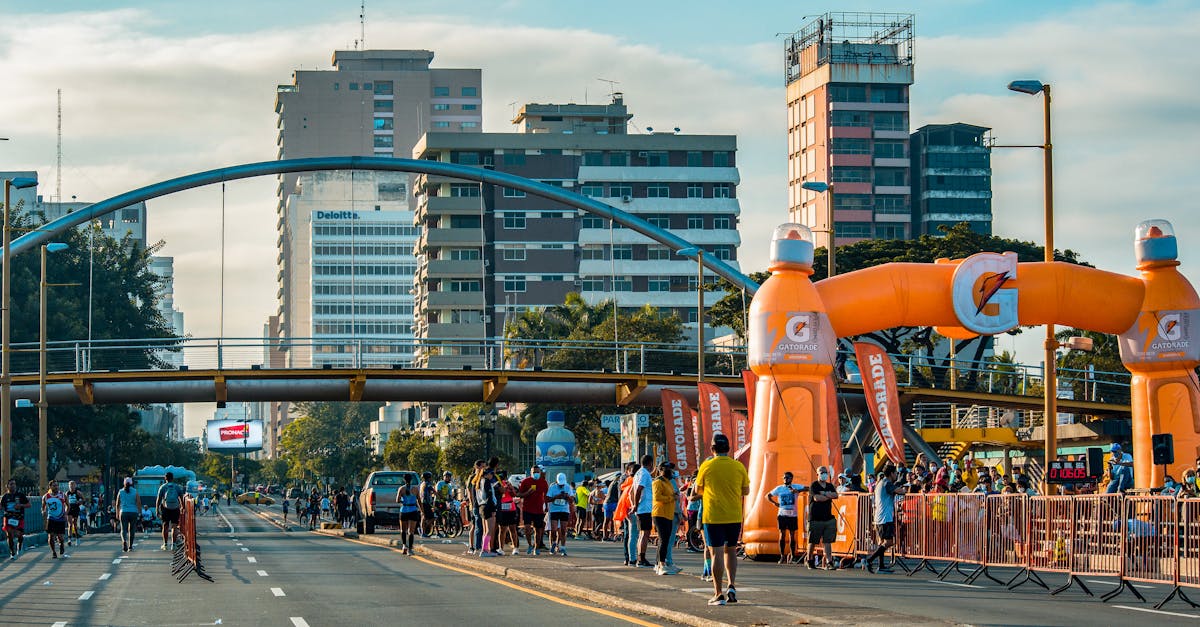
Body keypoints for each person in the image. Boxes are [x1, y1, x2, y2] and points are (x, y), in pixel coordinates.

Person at [694, 433, 750, 607]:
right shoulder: (738, 466)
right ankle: (731, 585)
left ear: (712, 449)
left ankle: (718, 593)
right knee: (731, 551)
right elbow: (746, 491)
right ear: (729, 449)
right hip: (733, 515)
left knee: (715, 553)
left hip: (713, 515)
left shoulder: (707, 465)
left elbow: (697, 489)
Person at [862, 465, 907, 573]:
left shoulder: (880, 483)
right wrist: (904, 489)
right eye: (895, 473)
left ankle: (881, 566)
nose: (896, 475)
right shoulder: (887, 483)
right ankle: (869, 560)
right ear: (891, 473)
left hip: (879, 516)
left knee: (882, 542)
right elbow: (900, 491)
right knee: (889, 541)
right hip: (885, 517)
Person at [805, 466, 839, 570]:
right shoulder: (814, 485)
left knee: (827, 541)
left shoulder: (829, 485)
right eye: (822, 472)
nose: (824, 474)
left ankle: (829, 561)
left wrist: (824, 493)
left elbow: (836, 495)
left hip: (828, 518)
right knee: (813, 541)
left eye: (825, 472)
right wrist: (828, 496)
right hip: (815, 518)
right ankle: (809, 559)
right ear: (817, 474)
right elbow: (816, 498)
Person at [766, 471, 804, 564]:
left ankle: (793, 556)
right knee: (782, 534)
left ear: (791, 478)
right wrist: (774, 503)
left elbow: (809, 488)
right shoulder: (779, 488)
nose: (785, 479)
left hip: (792, 515)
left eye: (787, 477)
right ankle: (782, 556)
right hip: (782, 514)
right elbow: (768, 495)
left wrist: (797, 491)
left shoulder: (796, 486)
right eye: (784, 478)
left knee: (792, 535)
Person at [652, 462, 680, 575]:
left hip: (668, 514)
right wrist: (672, 498)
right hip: (660, 514)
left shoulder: (668, 482)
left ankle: (661, 563)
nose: (670, 471)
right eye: (668, 469)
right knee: (663, 540)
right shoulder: (658, 482)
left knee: (666, 540)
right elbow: (657, 497)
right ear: (661, 469)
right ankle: (661, 564)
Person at [518, 465, 548, 555]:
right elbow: (519, 494)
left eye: (537, 472)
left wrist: (546, 506)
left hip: (539, 509)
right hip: (527, 508)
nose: (536, 474)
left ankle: (537, 547)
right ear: (531, 473)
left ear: (540, 473)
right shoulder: (525, 482)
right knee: (527, 529)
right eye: (534, 472)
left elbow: (546, 496)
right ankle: (530, 544)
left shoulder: (543, 482)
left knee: (538, 530)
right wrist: (528, 493)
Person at [632, 453, 656, 568]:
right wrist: (635, 505)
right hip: (644, 507)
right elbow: (638, 489)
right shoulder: (644, 474)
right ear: (650, 463)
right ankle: (641, 558)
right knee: (645, 533)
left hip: (642, 507)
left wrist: (634, 504)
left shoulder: (638, 473)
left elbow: (634, 490)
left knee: (643, 533)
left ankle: (641, 557)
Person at [157, 471, 186, 551]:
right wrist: (182, 506)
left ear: (165, 478)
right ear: (172, 478)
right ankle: (173, 544)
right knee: (174, 526)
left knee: (165, 526)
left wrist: (157, 509)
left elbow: (158, 499)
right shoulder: (177, 487)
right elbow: (181, 497)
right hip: (175, 508)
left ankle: (165, 544)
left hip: (166, 508)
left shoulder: (163, 487)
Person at [476, 467, 501, 557]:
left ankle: (485, 549)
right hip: (488, 506)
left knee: (486, 530)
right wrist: (493, 508)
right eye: (492, 474)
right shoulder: (486, 481)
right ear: (487, 474)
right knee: (490, 530)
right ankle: (484, 550)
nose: (492, 476)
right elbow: (489, 496)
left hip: (482, 506)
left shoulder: (479, 482)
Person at [546, 473, 574, 556]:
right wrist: (556, 497)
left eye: (562, 484)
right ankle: (554, 543)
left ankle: (563, 547)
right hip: (554, 510)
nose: (561, 486)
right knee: (553, 529)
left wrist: (567, 497)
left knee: (563, 530)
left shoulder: (568, 487)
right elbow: (547, 499)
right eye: (560, 484)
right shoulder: (552, 487)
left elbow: (571, 500)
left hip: (564, 510)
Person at [3, 482, 32, 558]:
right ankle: (12, 552)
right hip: (8, 518)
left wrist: (21, 505)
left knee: (19, 534)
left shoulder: (20, 495)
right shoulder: (5, 497)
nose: (13, 486)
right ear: (7, 486)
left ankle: (20, 545)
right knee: (9, 535)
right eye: (11, 484)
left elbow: (29, 505)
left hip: (19, 517)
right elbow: (1, 506)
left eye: (14, 484)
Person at [496, 471, 520, 554]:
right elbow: (499, 493)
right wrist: (503, 488)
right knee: (502, 530)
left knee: (512, 528)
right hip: (502, 508)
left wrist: (510, 487)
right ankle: (500, 548)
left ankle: (516, 548)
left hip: (511, 508)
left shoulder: (509, 484)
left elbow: (514, 494)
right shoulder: (497, 484)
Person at [115, 477, 141, 552]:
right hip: (133, 512)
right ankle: (130, 546)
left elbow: (117, 504)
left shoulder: (121, 491)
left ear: (124, 483)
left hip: (123, 512)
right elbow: (139, 502)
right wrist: (139, 512)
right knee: (132, 529)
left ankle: (124, 541)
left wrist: (117, 513)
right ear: (131, 483)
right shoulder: (135, 491)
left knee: (123, 529)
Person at [397, 474, 421, 555]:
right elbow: (419, 501)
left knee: (403, 530)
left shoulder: (401, 489)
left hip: (404, 510)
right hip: (413, 510)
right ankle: (410, 549)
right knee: (411, 531)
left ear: (404, 480)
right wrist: (422, 510)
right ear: (411, 480)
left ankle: (404, 546)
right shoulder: (415, 489)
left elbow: (397, 500)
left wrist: (404, 501)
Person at [43, 482, 68, 558]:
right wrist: (43, 512)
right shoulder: (46, 497)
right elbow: (43, 507)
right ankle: (54, 552)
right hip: (51, 518)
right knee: (51, 536)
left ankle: (62, 545)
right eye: (54, 486)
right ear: (50, 486)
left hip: (60, 518)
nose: (56, 487)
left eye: (57, 485)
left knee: (60, 536)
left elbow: (68, 505)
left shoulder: (63, 495)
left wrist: (66, 513)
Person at [465, 459, 485, 555]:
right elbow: (469, 491)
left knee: (480, 526)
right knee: (474, 526)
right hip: (474, 506)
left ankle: (480, 545)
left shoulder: (483, 477)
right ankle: (472, 546)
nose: (484, 468)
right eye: (482, 466)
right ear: (477, 467)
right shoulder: (472, 477)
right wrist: (472, 504)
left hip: (481, 505)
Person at [64, 480, 85, 546]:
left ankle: (77, 538)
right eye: (70, 485)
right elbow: (64, 501)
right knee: (70, 524)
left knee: (74, 523)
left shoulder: (78, 493)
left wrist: (79, 502)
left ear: (75, 485)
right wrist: (65, 509)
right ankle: (69, 539)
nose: (72, 486)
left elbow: (83, 499)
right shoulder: (67, 493)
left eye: (73, 485)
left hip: (75, 508)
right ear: (69, 486)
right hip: (69, 508)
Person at [418, 472, 436, 537]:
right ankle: (423, 530)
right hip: (426, 503)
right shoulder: (428, 484)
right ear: (428, 477)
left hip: (422, 502)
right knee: (432, 517)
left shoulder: (422, 484)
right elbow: (434, 491)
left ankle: (423, 530)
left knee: (424, 517)